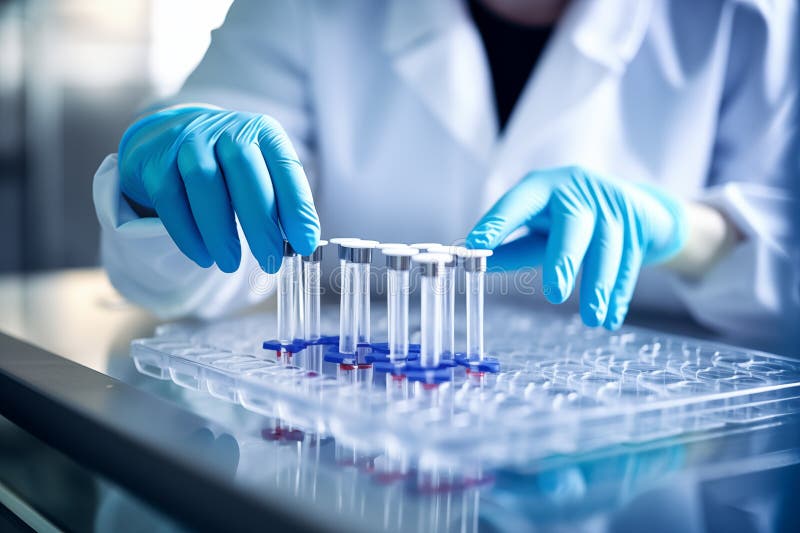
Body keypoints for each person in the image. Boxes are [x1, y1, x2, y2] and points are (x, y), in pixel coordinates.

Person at [93, 0, 799, 352]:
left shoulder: (749, 18)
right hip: (358, 442)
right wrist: (163, 188)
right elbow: (197, 260)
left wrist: (690, 233)